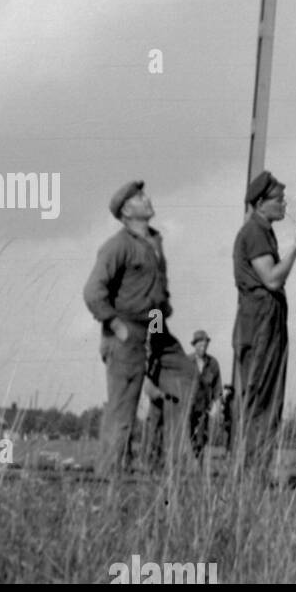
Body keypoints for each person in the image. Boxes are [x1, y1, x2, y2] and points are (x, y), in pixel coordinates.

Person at [83, 180, 197, 476]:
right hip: (126, 329)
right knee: (123, 409)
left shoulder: (154, 241)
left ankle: (177, 462)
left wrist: (161, 316)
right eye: (139, 197)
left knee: (184, 376)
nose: (147, 200)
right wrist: (116, 325)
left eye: (144, 195)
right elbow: (93, 292)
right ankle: (109, 477)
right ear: (126, 210)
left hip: (155, 326)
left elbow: (159, 288)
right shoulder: (117, 246)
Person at [231, 169, 296, 473]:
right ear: (260, 202)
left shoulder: (261, 231)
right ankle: (253, 472)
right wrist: (295, 248)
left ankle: (257, 470)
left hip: (265, 321)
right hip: (260, 324)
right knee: (260, 399)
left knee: (267, 399)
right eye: (279, 200)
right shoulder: (254, 233)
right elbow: (271, 279)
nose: (284, 205)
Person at [187, 330, 223, 460]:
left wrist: (217, 405)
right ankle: (187, 467)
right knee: (187, 436)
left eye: (205, 344)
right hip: (188, 408)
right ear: (194, 345)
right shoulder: (187, 361)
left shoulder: (213, 363)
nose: (203, 347)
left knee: (201, 439)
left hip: (204, 408)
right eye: (200, 344)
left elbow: (217, 387)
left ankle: (199, 467)